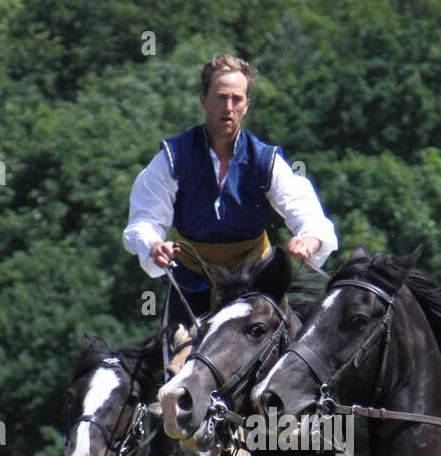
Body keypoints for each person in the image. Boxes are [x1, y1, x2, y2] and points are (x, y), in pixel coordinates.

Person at [123, 54, 338, 325]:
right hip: (191, 285)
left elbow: (310, 217)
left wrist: (308, 240)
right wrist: (153, 244)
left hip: (256, 288)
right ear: (203, 100)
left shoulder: (264, 160)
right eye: (220, 97)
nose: (228, 106)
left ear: (246, 105)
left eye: (236, 99)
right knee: (177, 363)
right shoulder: (173, 158)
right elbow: (144, 220)